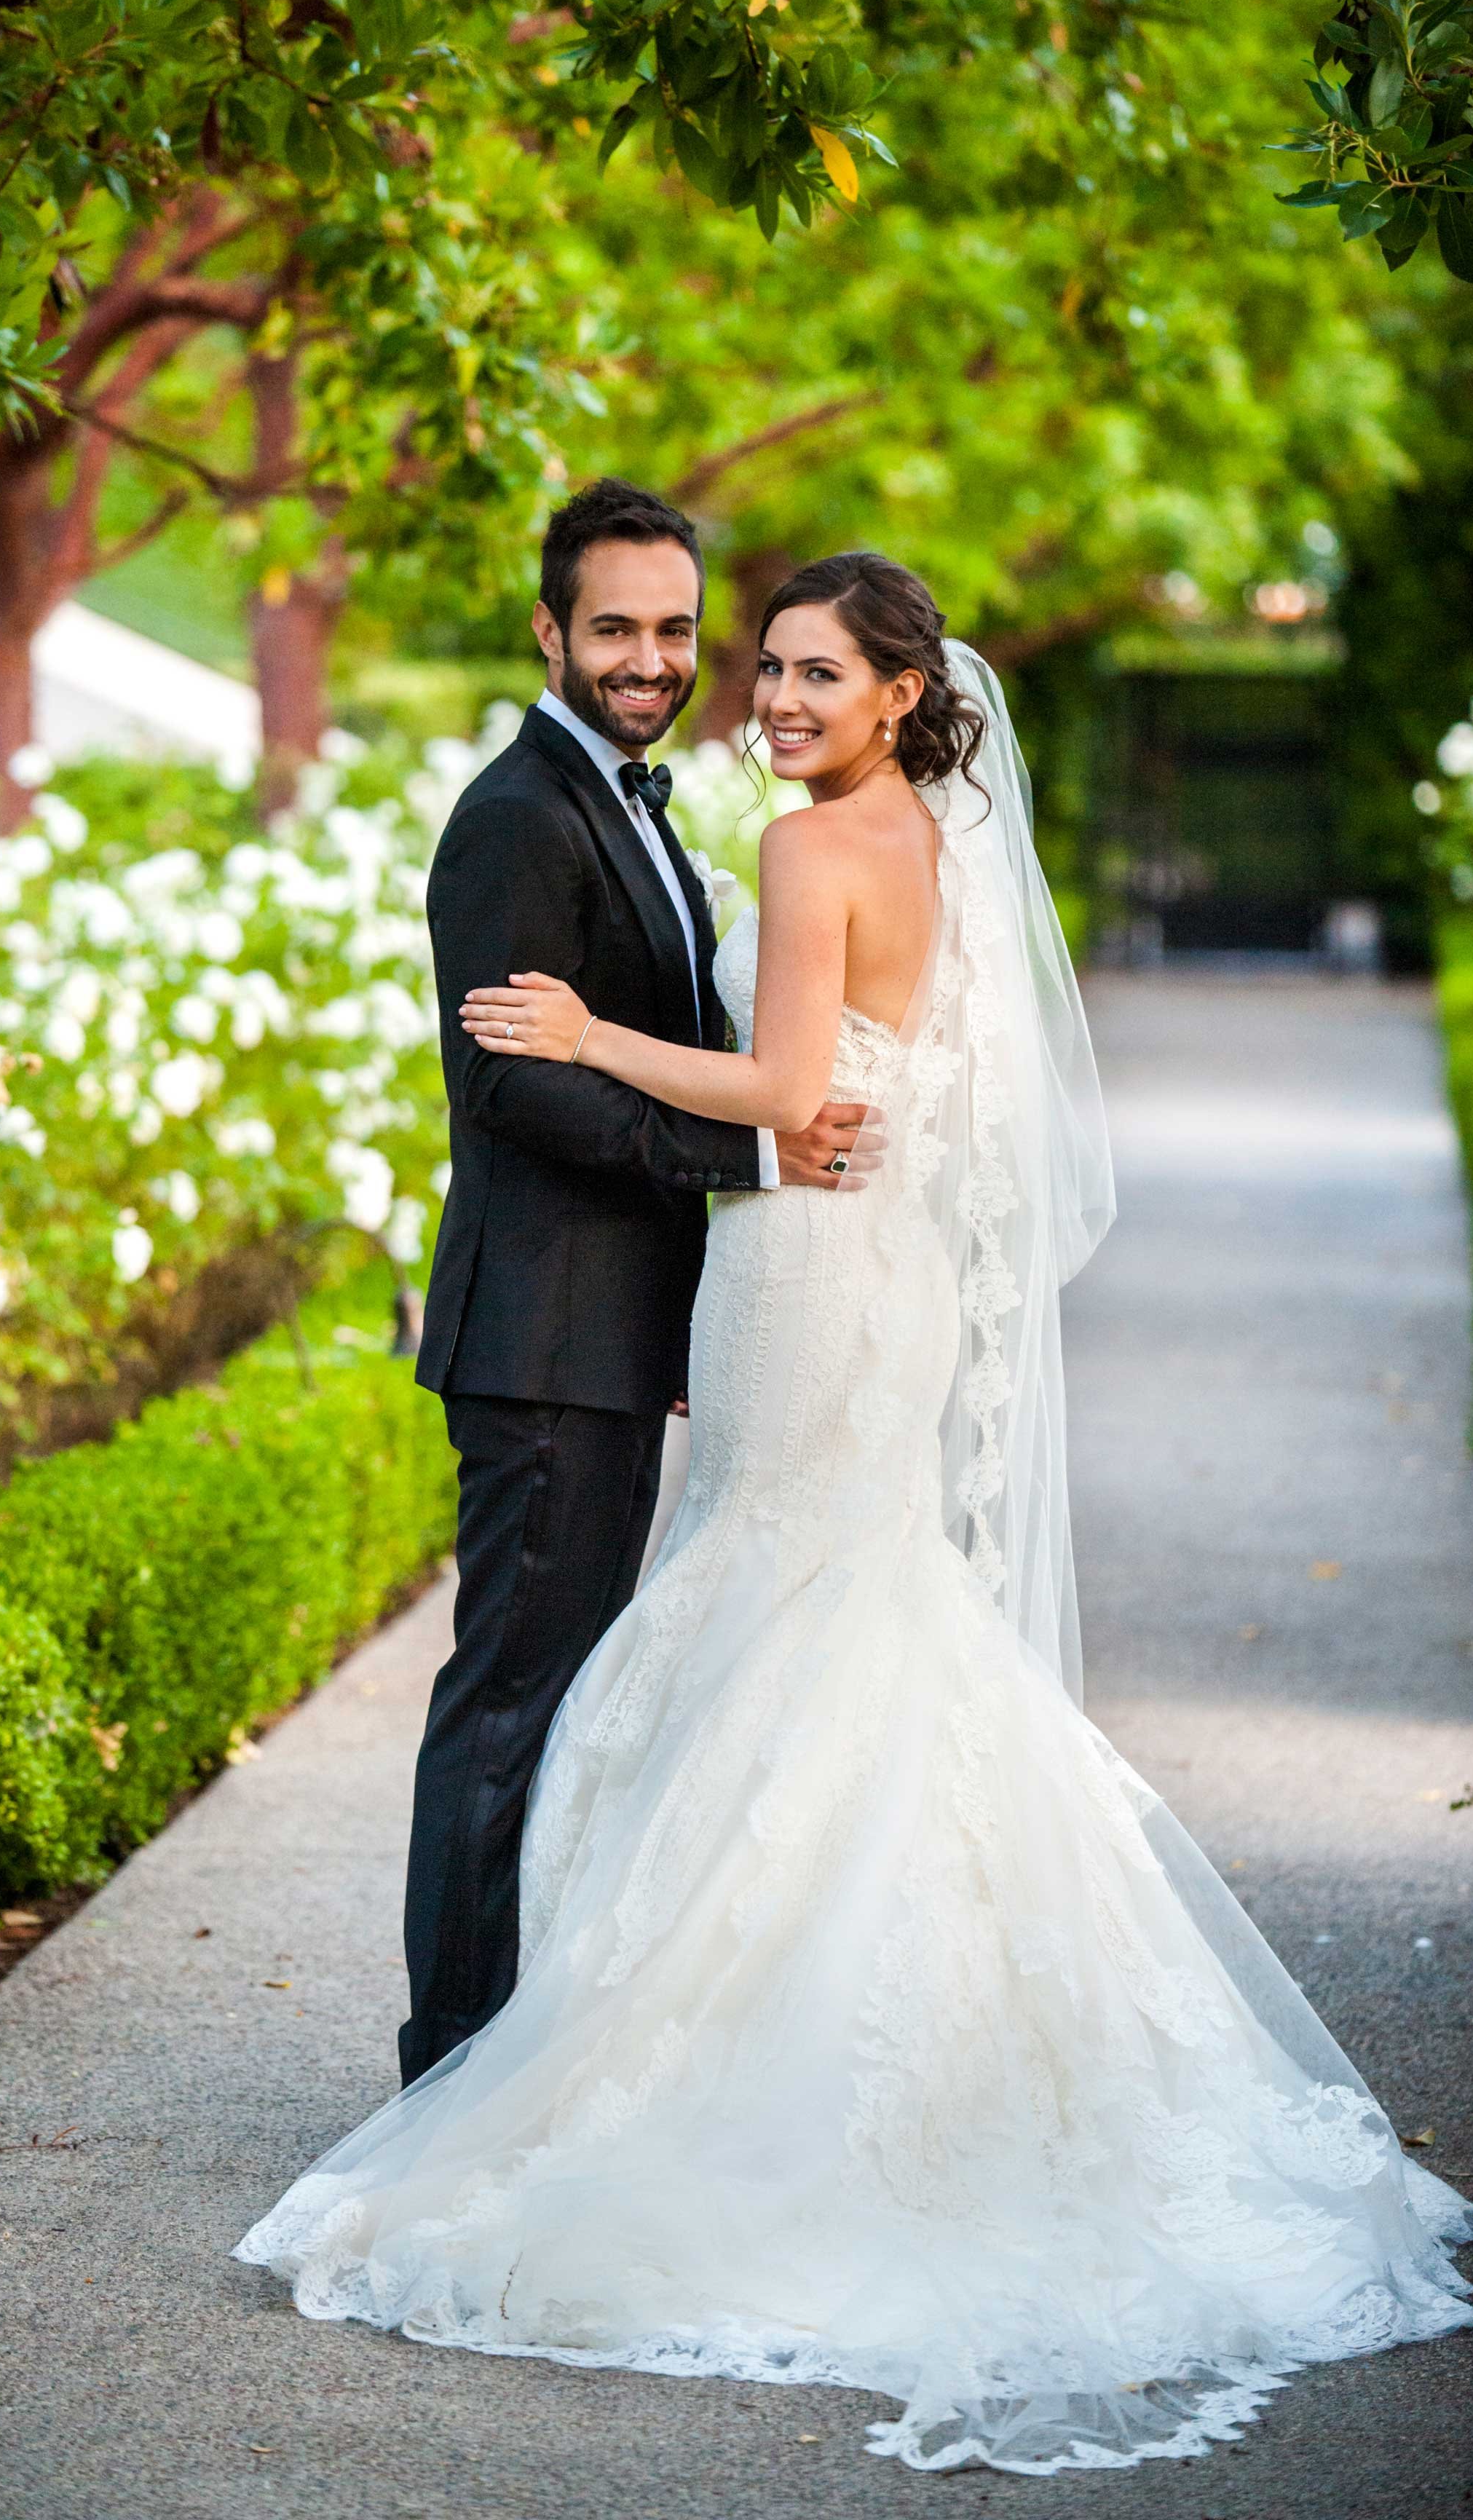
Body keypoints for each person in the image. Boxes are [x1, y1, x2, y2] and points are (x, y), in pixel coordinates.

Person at [236, 550, 1473, 2475]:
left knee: (780, 1630)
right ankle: (873, 2057)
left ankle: (710, 2082)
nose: (774, 697)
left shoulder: (819, 851)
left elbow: (790, 1083)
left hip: (804, 1279)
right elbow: (869, 1091)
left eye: (816, 673)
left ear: (901, 688)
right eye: (770, 669)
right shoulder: (914, 834)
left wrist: (584, 1038)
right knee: (846, 1631)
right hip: (857, 1280)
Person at [396, 479, 882, 2089]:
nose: (650, 658)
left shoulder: (632, 798)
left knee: (564, 1699)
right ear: (548, 630)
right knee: (513, 1705)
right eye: (615, 627)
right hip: (541, 1341)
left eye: (676, 630)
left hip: (611, 1333)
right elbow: (516, 1095)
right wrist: (748, 1168)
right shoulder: (517, 819)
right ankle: (452, 2065)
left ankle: (511, 2036)